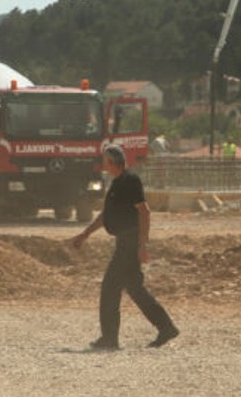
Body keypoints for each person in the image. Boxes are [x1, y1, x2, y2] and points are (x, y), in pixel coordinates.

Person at [71, 145, 179, 351]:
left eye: (105, 161)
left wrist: (142, 245)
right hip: (124, 241)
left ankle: (110, 338)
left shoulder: (130, 181)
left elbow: (144, 212)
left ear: (112, 162)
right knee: (135, 289)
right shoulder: (117, 182)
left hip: (130, 243)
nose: (103, 165)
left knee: (110, 287)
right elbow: (106, 215)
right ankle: (166, 327)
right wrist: (85, 234)